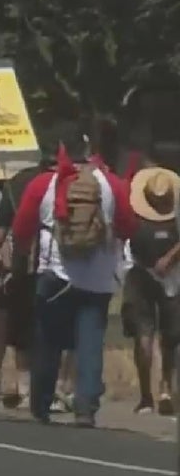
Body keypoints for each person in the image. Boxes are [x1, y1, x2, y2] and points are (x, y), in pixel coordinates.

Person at [12, 121, 137, 427]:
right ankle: (86, 407)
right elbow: (129, 226)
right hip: (98, 277)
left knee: (48, 340)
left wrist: (23, 256)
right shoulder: (111, 183)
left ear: (60, 150)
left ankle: (41, 403)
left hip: (54, 273)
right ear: (87, 149)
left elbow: (21, 228)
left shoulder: (44, 184)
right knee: (91, 341)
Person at [0, 155, 52, 408]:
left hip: (26, 264)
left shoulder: (19, 182)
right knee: (56, 328)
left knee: (23, 327)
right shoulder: (74, 180)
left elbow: (1, 227)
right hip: (68, 267)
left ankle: (25, 388)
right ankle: (60, 387)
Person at [123, 165, 180, 415]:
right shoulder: (175, 218)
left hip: (139, 275)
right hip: (172, 278)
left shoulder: (135, 219)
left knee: (143, 335)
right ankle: (166, 387)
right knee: (171, 337)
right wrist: (169, 259)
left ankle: (146, 396)